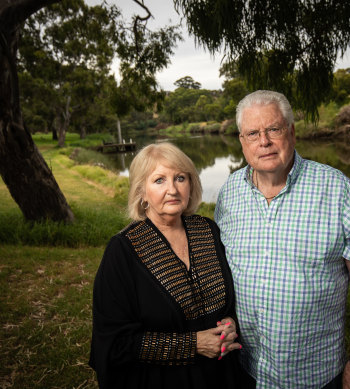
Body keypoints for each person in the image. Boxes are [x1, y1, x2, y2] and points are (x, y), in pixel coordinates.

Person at [214, 90, 350, 389]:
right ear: (241, 141)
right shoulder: (229, 193)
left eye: (273, 129)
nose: (263, 141)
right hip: (245, 368)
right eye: (252, 133)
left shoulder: (336, 189)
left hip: (315, 375)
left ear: (291, 132)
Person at [89, 142, 242, 388]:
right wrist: (193, 345)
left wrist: (231, 323)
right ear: (141, 191)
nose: (172, 189)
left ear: (191, 184)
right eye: (159, 180)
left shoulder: (208, 230)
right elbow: (115, 344)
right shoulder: (123, 252)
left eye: (180, 178)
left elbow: (231, 299)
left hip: (223, 375)